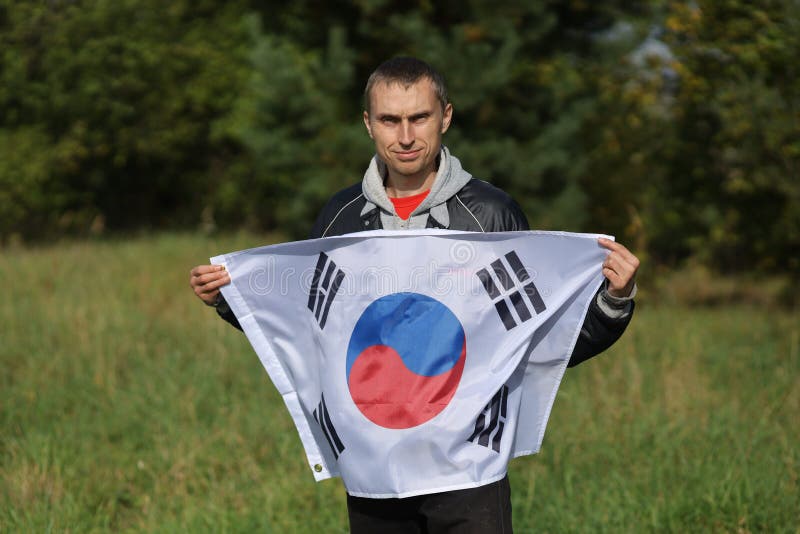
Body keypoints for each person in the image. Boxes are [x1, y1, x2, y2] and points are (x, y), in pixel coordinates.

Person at [190, 57, 639, 533]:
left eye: (418, 118)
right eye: (389, 120)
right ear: (368, 124)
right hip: (374, 470)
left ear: (445, 116)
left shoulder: (489, 218)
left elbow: (534, 344)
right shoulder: (339, 219)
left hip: (469, 475)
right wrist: (230, 298)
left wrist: (614, 301)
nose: (405, 137)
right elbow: (310, 332)